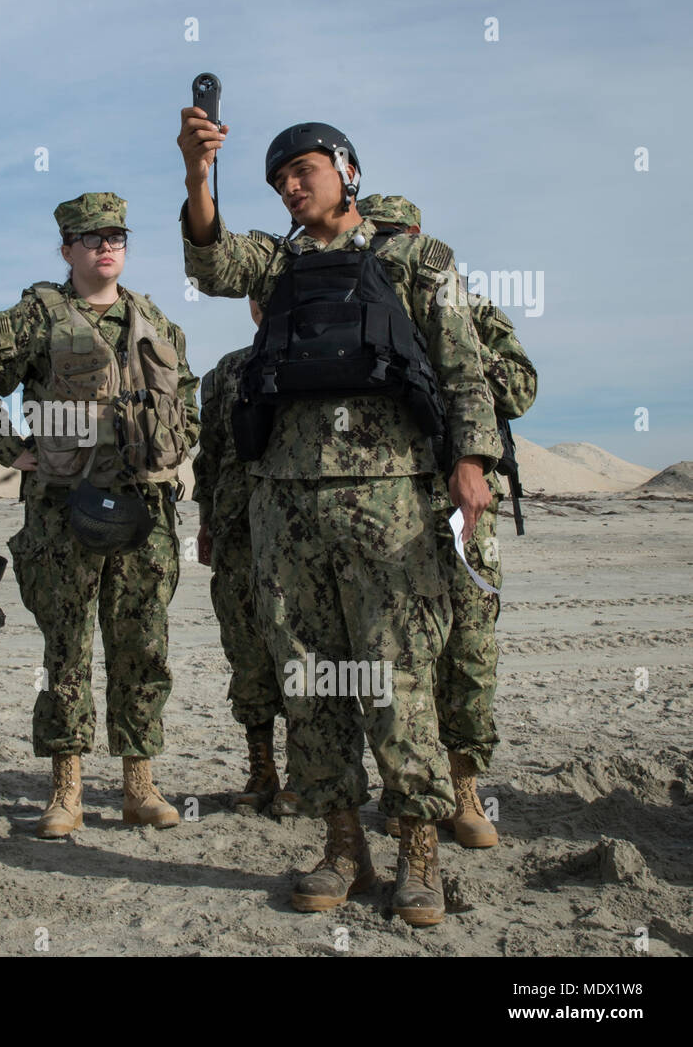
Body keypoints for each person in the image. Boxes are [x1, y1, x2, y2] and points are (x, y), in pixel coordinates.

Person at [177, 113, 502, 926]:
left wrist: (471, 463)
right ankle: (341, 845)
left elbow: (462, 367)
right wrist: (195, 175)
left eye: (305, 170)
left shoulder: (418, 261)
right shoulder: (276, 261)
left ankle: (419, 853)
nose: (291, 185)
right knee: (309, 679)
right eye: (279, 177)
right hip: (286, 505)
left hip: (392, 499)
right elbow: (214, 261)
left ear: (348, 172)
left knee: (398, 676)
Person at [0, 193, 200, 838]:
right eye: (90, 238)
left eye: (116, 234)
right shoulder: (32, 318)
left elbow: (189, 396)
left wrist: (175, 443)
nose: (106, 246)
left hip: (144, 507)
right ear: (66, 249)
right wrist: (13, 450)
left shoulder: (156, 322)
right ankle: (66, 788)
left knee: (143, 644)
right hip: (65, 509)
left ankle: (137, 783)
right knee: (65, 647)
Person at [358, 195, 539, 849]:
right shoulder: (355, 314)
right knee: (392, 651)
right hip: (383, 503)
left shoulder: (469, 306)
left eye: (394, 238)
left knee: (469, 647)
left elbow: (519, 388)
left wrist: (452, 357)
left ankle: (464, 791)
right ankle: (403, 785)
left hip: (462, 504)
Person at [194, 299, 288, 813]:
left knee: (303, 650)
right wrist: (207, 520)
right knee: (247, 653)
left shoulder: (313, 358)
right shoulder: (225, 372)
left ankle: (307, 770)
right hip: (236, 532)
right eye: (260, 293)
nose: (265, 303)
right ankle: (261, 769)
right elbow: (207, 454)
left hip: (299, 531)